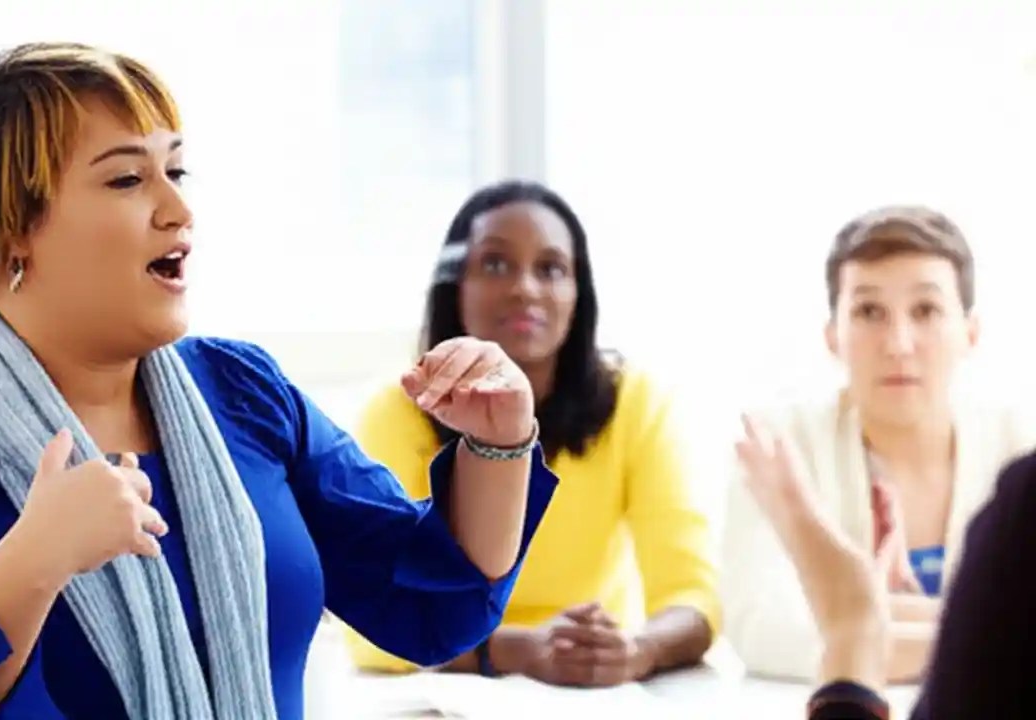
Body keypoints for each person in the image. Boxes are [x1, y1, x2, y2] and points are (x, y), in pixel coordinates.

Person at [0, 43, 557, 720]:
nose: (179, 208)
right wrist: (30, 566)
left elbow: (429, 605)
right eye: (129, 178)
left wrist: (500, 445)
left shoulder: (243, 390)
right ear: (7, 238)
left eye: (177, 169)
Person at [344, 180, 719, 686]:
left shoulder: (634, 403)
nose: (525, 288)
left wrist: (636, 652)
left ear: (577, 294)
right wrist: (518, 650)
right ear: (456, 285)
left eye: (551, 268)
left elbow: (694, 598)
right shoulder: (398, 408)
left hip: (592, 690)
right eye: (496, 264)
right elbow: (366, 626)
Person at [721, 205, 1035, 682]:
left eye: (926, 310)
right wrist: (976, 637)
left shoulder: (1021, 449)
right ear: (833, 336)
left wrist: (859, 622)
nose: (898, 343)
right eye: (869, 312)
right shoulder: (782, 448)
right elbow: (761, 630)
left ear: (970, 333)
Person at [737, 412, 1036, 719]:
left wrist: (854, 636)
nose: (899, 359)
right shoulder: (788, 438)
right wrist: (956, 627)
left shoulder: (1019, 483)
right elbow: (760, 627)